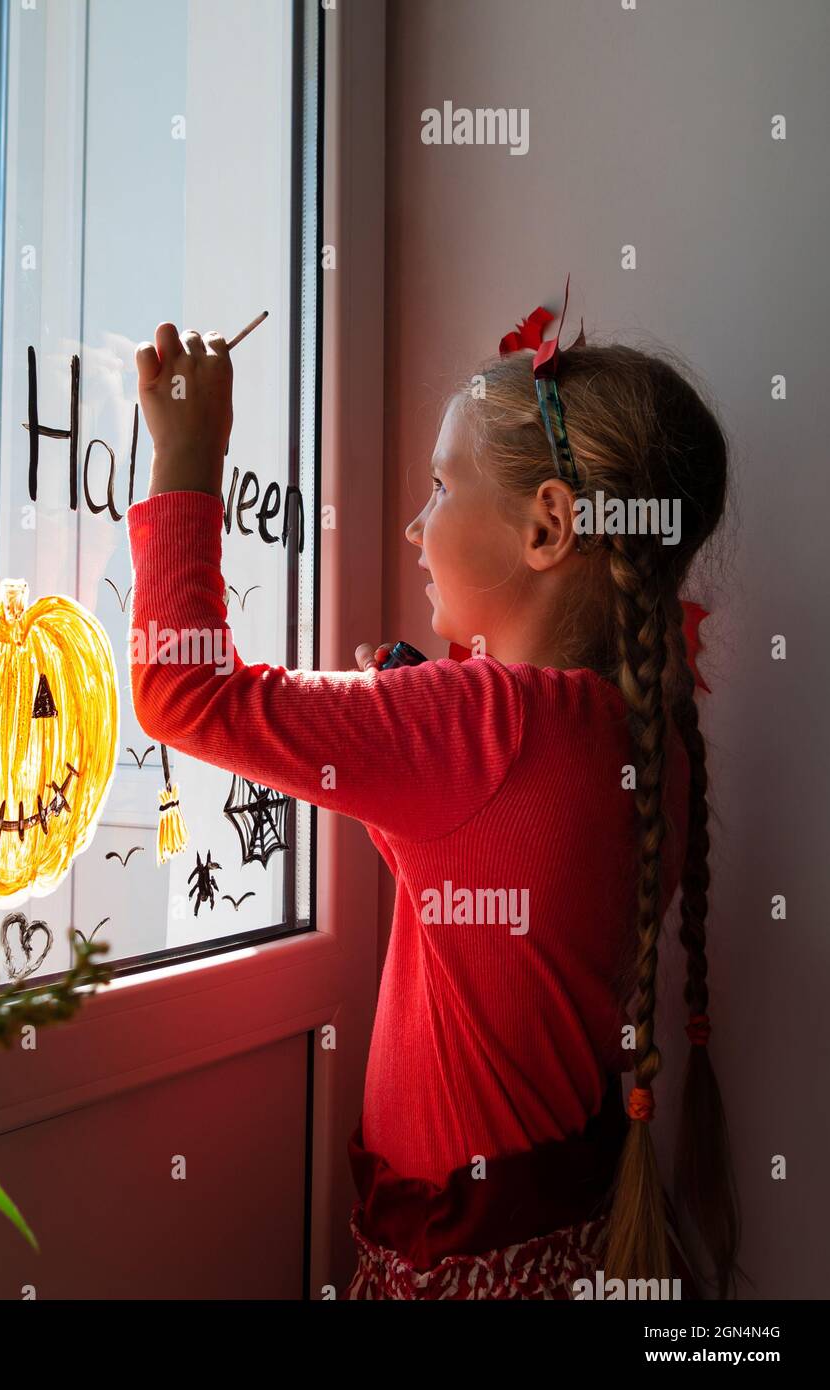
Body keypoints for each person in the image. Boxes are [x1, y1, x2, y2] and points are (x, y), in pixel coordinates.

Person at [125, 304, 740, 1300]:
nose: (415, 524)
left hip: (457, 1268)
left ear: (547, 524)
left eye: (441, 485)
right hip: (566, 1237)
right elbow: (486, 874)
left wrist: (189, 458)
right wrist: (409, 728)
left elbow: (180, 692)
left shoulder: (478, 723)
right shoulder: (642, 733)